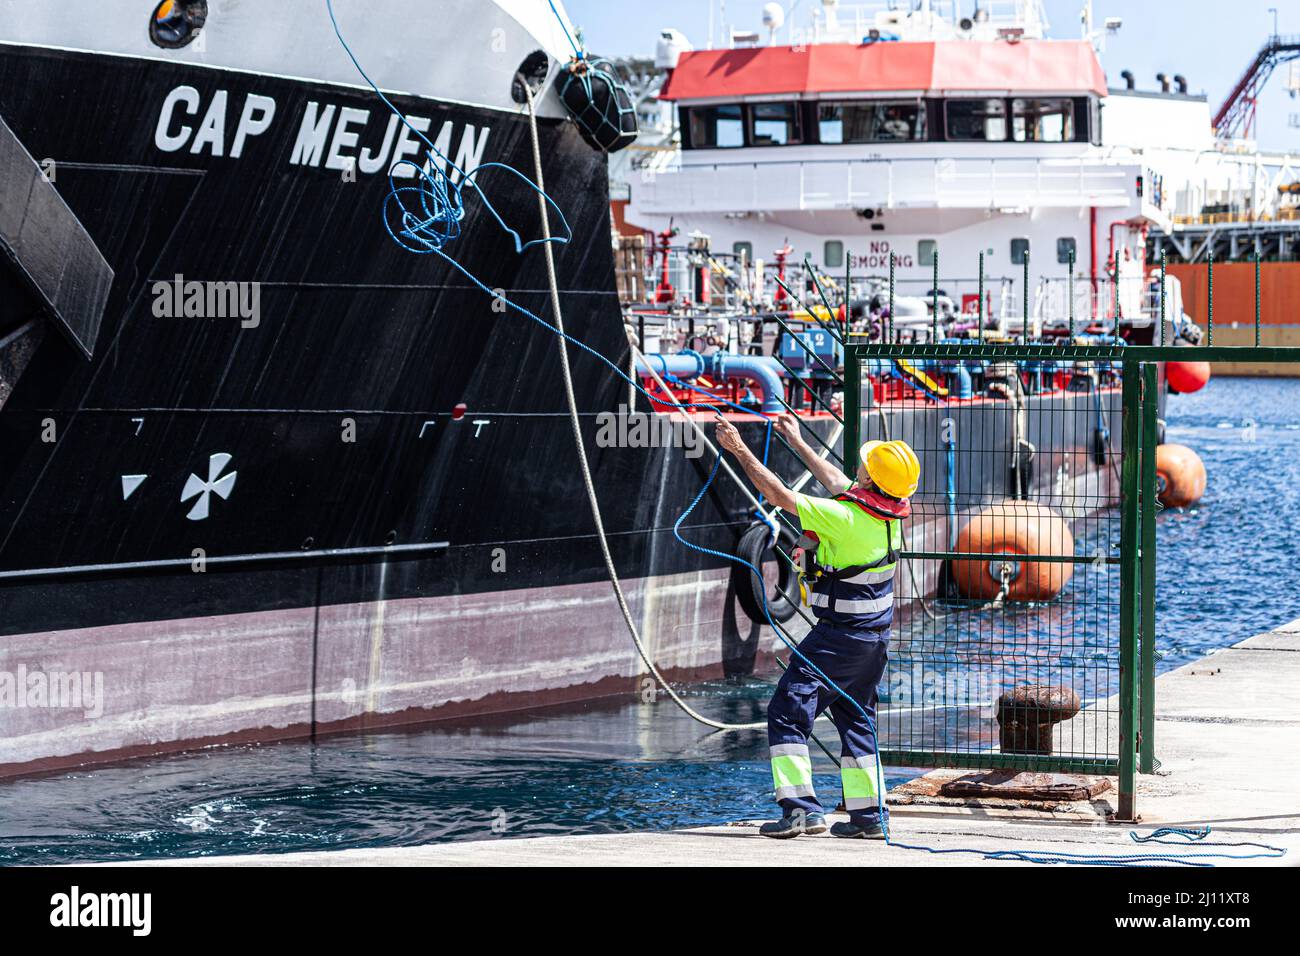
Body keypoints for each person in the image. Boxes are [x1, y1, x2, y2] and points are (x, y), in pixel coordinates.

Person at [714, 411, 919, 839]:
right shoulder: (886, 515)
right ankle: (868, 818)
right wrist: (798, 441)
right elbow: (836, 482)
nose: (856, 470)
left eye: (863, 466)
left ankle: (801, 810)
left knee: (787, 712)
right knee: (857, 717)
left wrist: (738, 448)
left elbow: (777, 493)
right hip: (873, 642)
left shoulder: (842, 519)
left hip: (838, 639)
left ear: (870, 480)